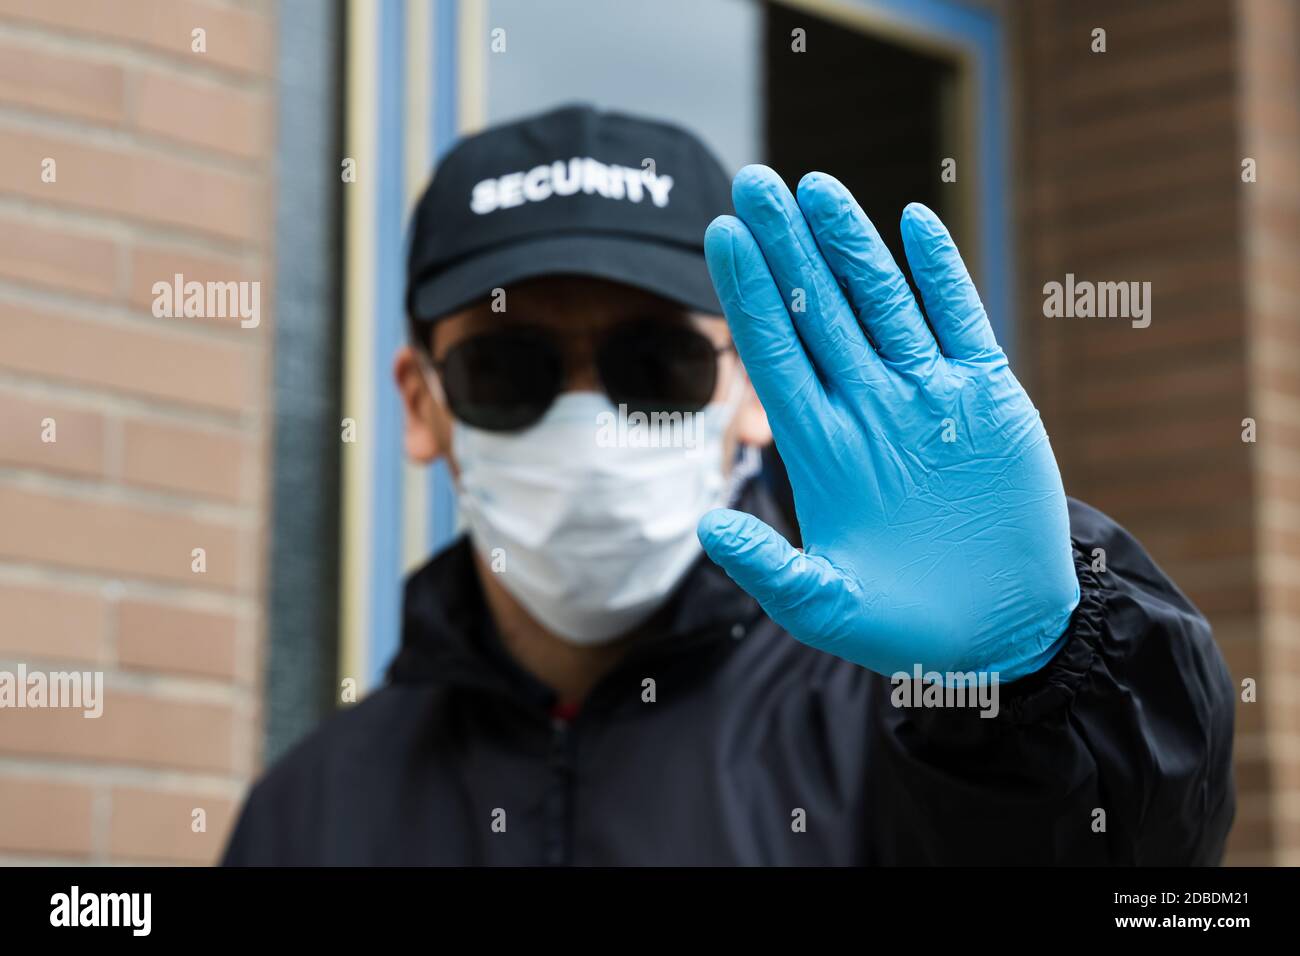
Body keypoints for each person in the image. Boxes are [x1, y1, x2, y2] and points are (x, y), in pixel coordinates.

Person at [222, 104, 1234, 865]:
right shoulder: (305, 811)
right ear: (419, 401)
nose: (591, 419)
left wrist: (1034, 682)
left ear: (749, 384)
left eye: (654, 364)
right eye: (508, 368)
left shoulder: (913, 727)